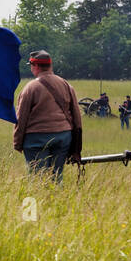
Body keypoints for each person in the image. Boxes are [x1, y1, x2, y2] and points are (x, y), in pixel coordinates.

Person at [13, 50, 83, 183]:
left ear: (36, 66)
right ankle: (57, 200)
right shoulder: (66, 85)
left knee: (37, 178)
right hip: (63, 137)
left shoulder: (30, 88)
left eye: (31, 66)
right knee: (57, 176)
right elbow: (76, 116)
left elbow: (21, 118)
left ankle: (41, 201)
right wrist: (76, 143)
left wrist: (17, 142)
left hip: (36, 139)